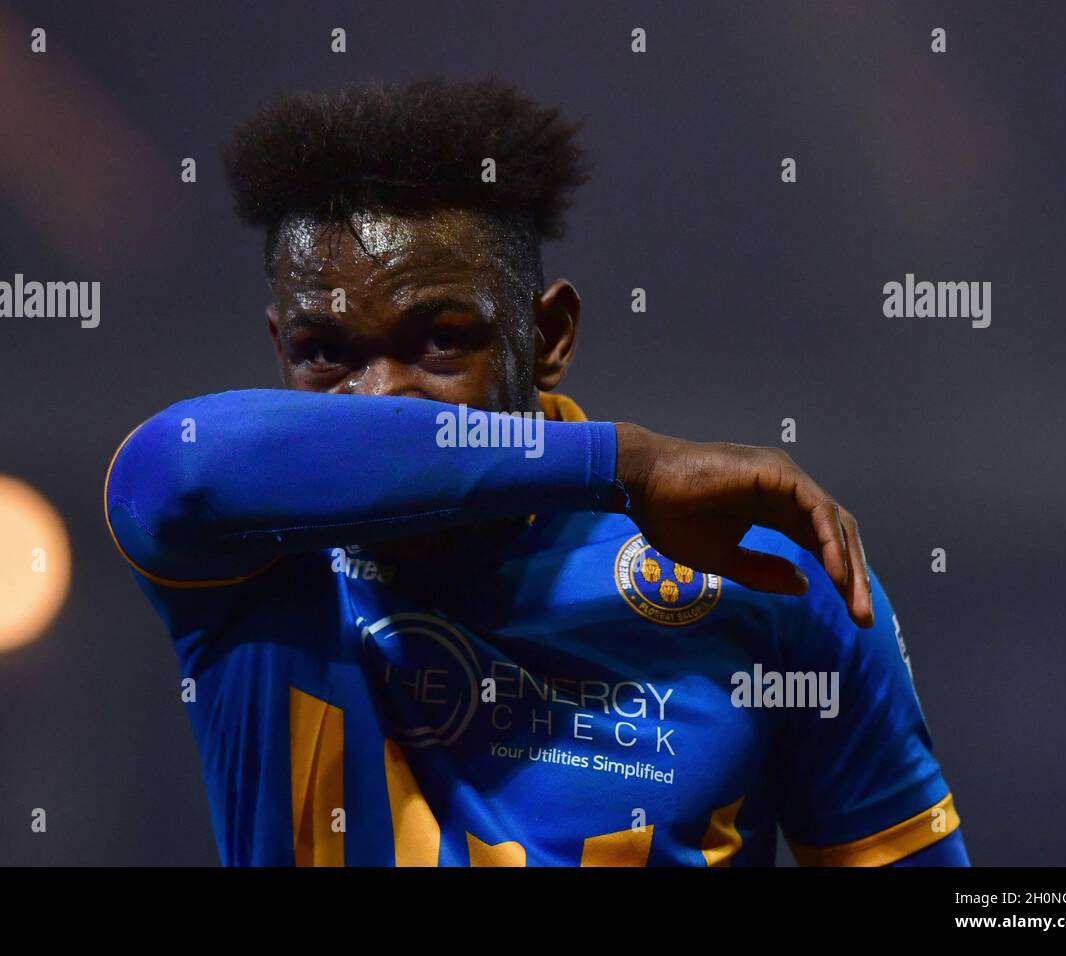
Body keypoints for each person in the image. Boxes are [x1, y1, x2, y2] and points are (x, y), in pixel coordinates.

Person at [105, 77, 967, 866]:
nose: (381, 401)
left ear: (548, 338)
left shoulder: (762, 573)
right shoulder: (254, 564)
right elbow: (166, 470)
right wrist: (623, 462)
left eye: (440, 340)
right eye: (324, 353)